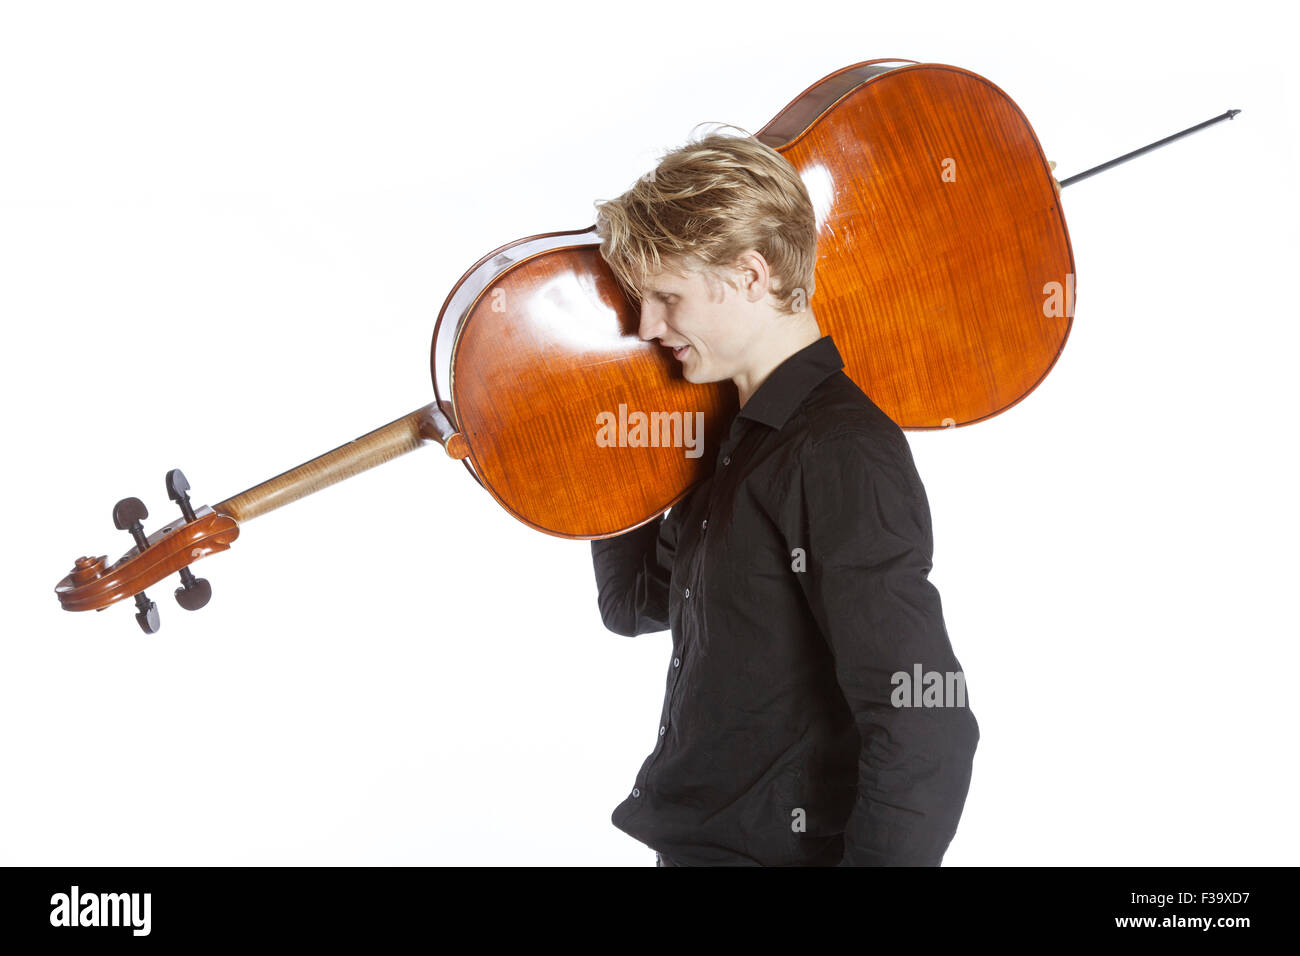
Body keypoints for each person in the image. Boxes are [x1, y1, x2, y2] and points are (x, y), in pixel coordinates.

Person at [589, 125, 979, 866]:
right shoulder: (739, 442)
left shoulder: (839, 452)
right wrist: (593, 433)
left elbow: (927, 717)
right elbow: (634, 602)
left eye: (667, 297)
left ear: (750, 274)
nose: (648, 327)